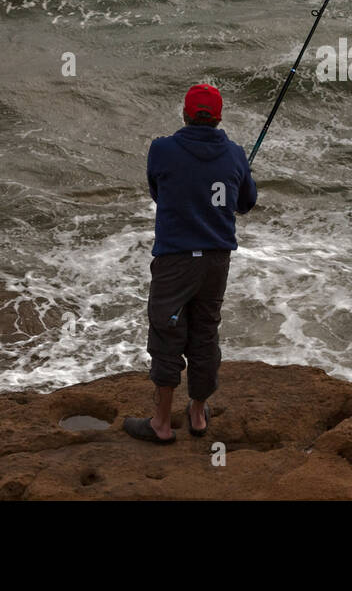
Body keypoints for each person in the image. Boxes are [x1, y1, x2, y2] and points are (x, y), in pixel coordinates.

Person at [124, 83, 257, 444]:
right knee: (204, 333)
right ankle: (197, 414)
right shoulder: (235, 154)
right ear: (218, 117)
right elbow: (246, 202)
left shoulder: (162, 149)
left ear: (184, 113)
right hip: (216, 262)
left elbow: (157, 190)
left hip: (175, 261)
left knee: (167, 334)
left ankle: (162, 424)